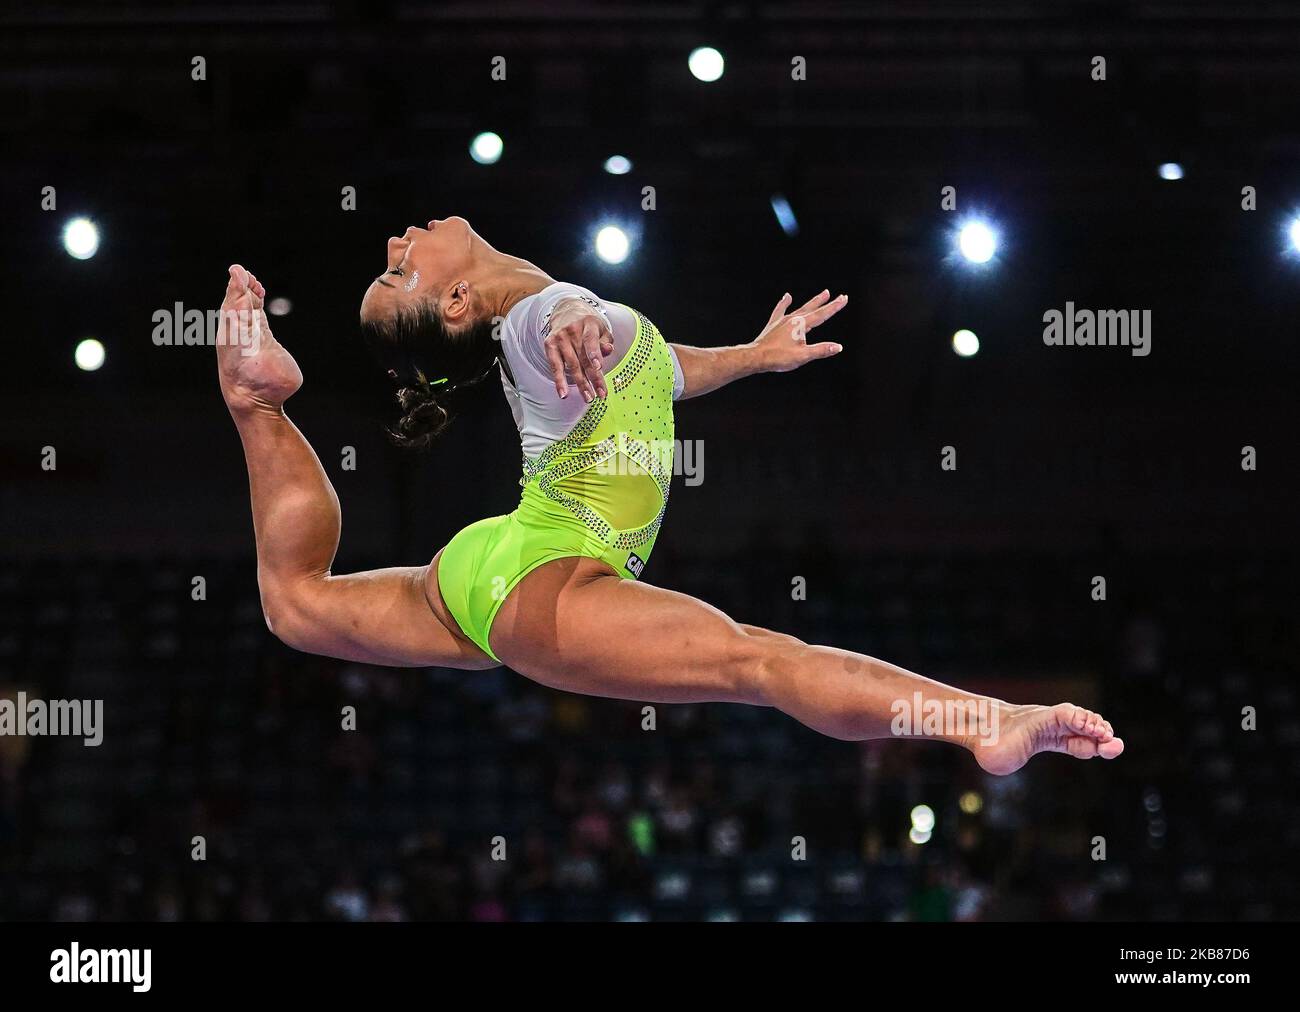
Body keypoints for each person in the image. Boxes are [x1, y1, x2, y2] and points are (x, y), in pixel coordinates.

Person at [214, 216, 1123, 776]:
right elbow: (562, 320)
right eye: (396, 273)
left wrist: (751, 356)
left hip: (509, 556)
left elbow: (659, 369)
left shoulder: (559, 325)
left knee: (297, 605)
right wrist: (572, 316)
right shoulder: (537, 321)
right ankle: (986, 724)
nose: (394, 244)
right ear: (457, 305)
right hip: (546, 571)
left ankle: (257, 406)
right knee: (757, 663)